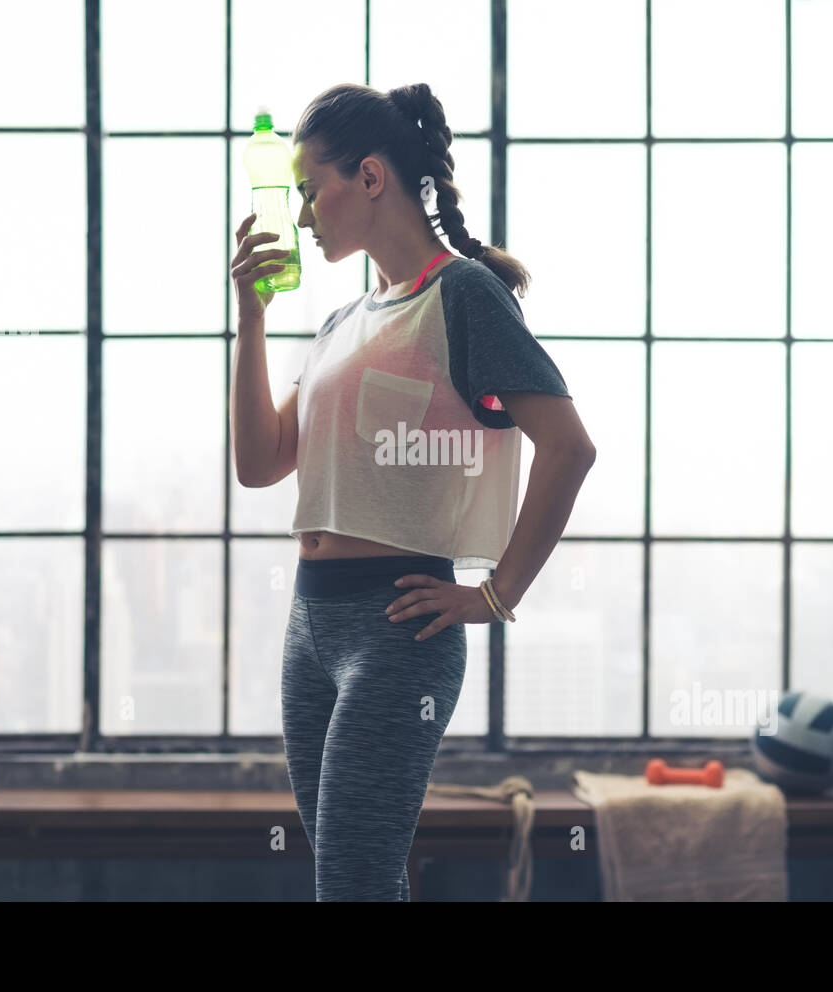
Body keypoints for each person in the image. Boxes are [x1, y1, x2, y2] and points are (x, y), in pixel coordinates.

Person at [229, 82, 596, 901]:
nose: (301, 213)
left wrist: (495, 597)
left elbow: (569, 449)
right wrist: (250, 319)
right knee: (357, 880)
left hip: (397, 631)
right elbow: (259, 463)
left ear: (369, 177)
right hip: (310, 627)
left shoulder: (463, 293)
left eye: (309, 188)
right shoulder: (341, 322)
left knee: (353, 886)